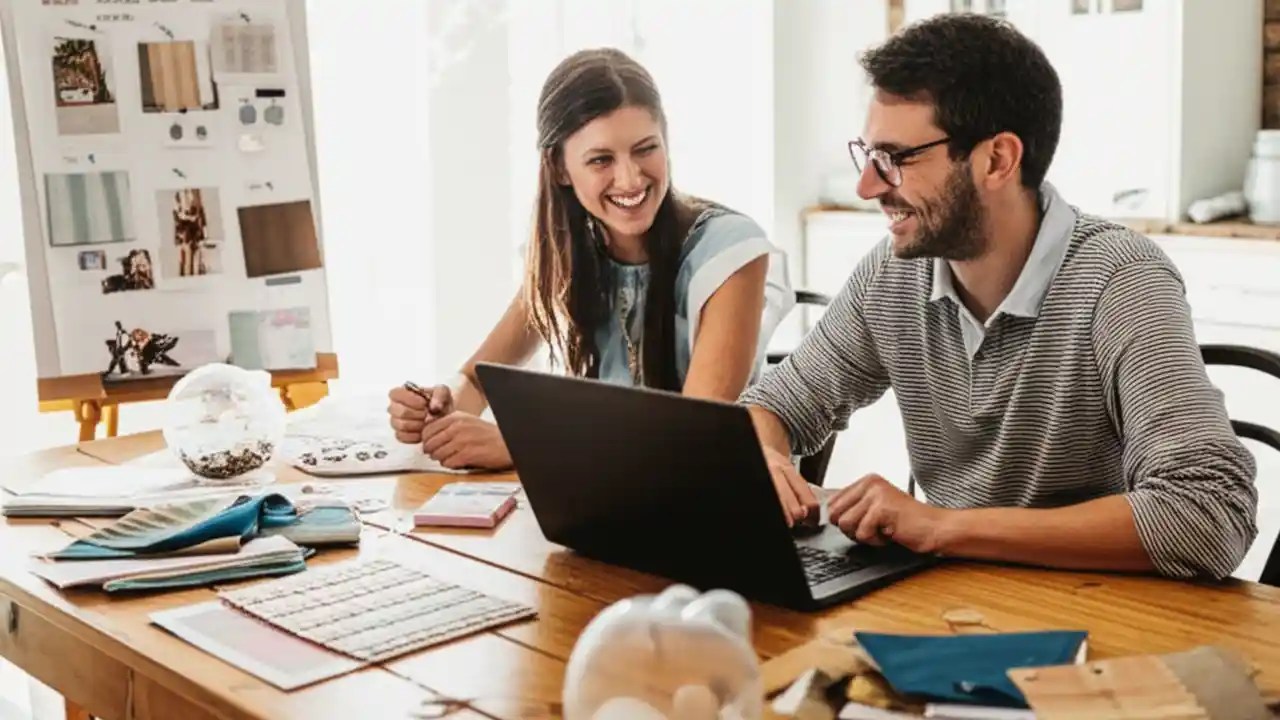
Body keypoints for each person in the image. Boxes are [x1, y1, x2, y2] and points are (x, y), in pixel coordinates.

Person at [740, 14, 1257, 581]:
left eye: (895, 159)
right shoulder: (891, 275)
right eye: (867, 155)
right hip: (950, 600)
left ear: (997, 160)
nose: (867, 186)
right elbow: (773, 407)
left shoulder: (1120, 282)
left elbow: (1207, 512)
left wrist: (943, 527)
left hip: (1096, 613)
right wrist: (761, 459)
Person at [388, 48, 793, 470]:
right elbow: (477, 378)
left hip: (709, 502)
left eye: (645, 149)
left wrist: (524, 446)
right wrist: (439, 406)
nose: (631, 178)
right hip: (608, 497)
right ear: (560, 168)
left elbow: (690, 440)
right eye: (601, 159)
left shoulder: (730, 253)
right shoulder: (567, 251)